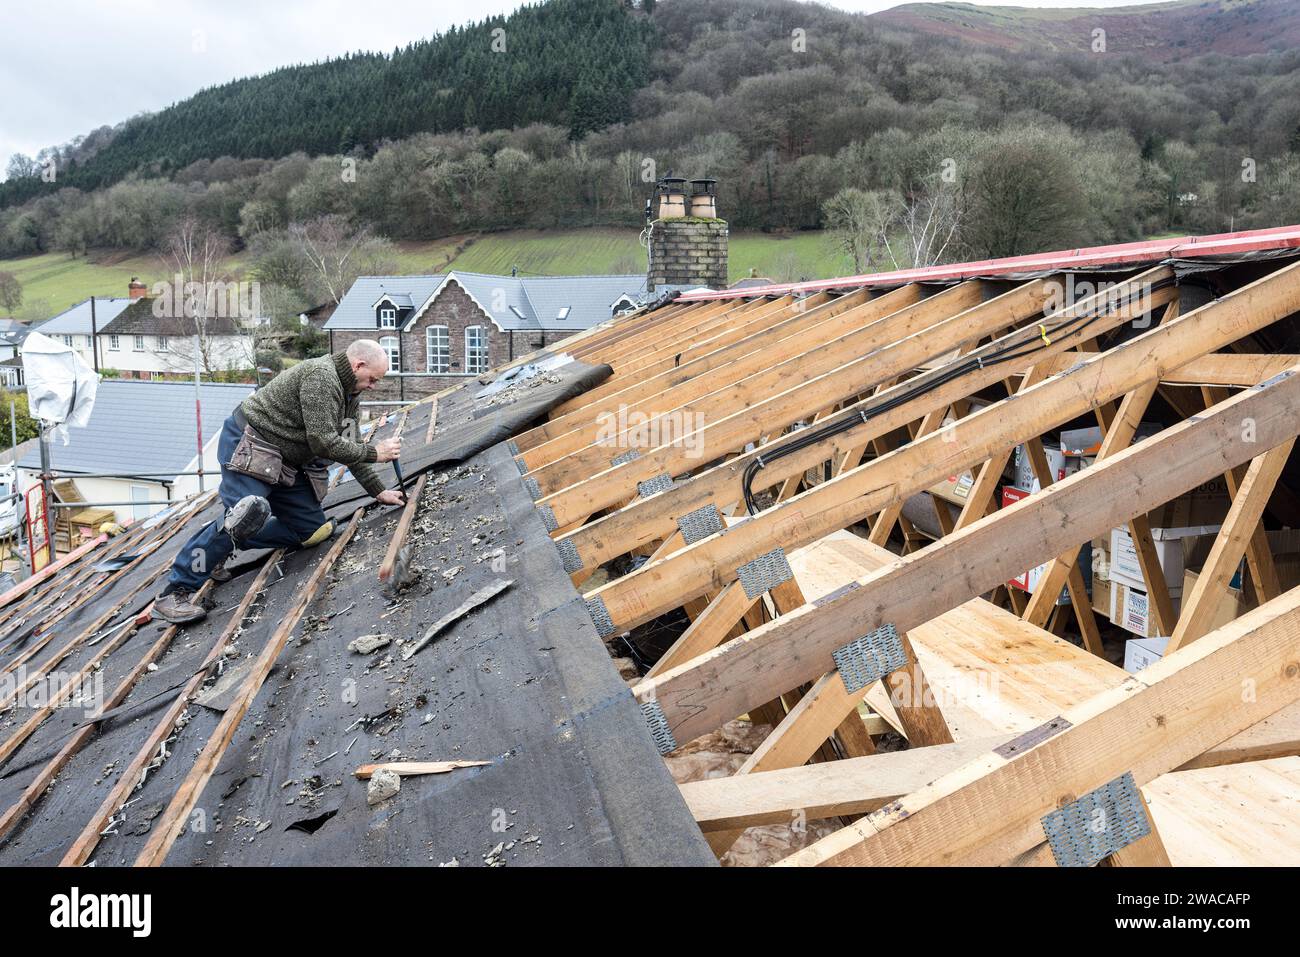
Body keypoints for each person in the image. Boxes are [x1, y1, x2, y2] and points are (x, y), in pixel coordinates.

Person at [153, 340, 405, 623]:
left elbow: (349, 445)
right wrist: (376, 452)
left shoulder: (349, 395)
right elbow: (323, 442)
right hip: (251, 445)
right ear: (358, 365)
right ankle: (175, 590)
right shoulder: (321, 377)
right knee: (245, 515)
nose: (373, 386)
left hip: (285, 461)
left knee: (311, 532)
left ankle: (222, 540)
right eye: (372, 379)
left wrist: (378, 491)